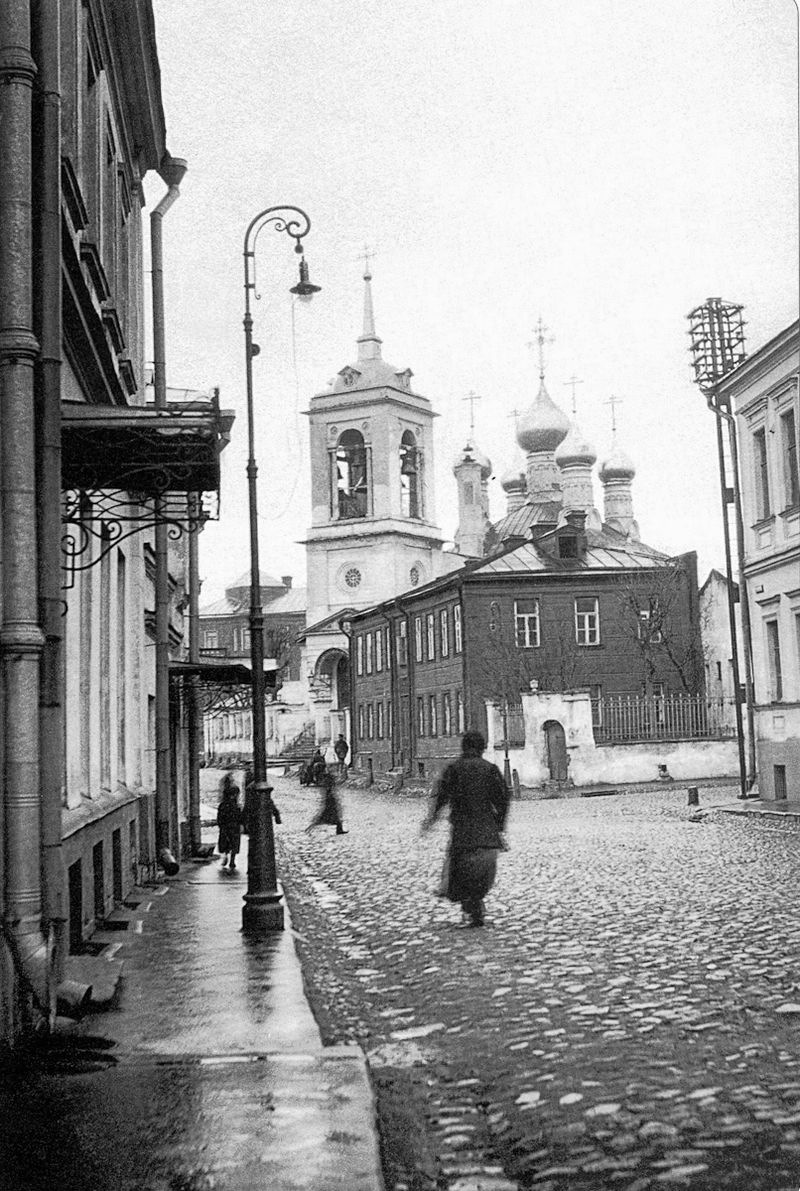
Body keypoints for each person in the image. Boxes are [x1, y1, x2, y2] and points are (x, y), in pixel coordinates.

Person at [421, 730, 509, 927]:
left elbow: (441, 797)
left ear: (463, 746)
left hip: (463, 834)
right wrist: (499, 825)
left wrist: (431, 819)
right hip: (487, 835)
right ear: (482, 748)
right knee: (482, 876)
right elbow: (503, 799)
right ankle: (475, 907)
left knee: (461, 875)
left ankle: (472, 909)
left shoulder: (454, 769)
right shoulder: (491, 769)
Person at [305, 769, 347, 835]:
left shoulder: (328, 787)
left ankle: (339, 830)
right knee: (324, 819)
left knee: (334, 819)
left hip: (331, 805)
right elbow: (330, 797)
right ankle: (309, 828)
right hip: (330, 806)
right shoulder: (329, 789)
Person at [217, 772, 244, 870]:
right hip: (229, 827)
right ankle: (227, 857)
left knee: (231, 845)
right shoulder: (229, 806)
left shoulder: (232, 806)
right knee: (229, 844)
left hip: (231, 827)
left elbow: (240, 817)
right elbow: (220, 817)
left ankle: (231, 860)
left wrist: (241, 824)